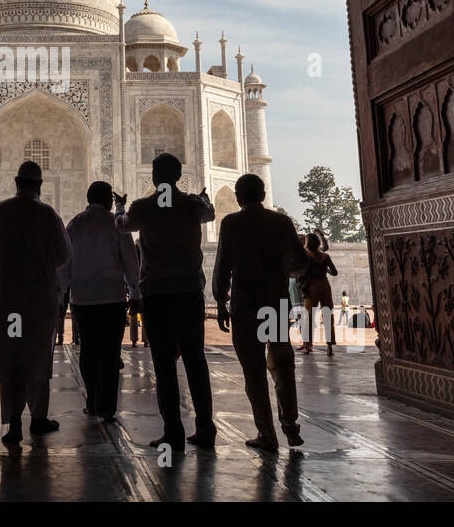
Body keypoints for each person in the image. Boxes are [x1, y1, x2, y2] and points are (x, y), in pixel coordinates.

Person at [115, 152, 216, 452]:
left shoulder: (144, 206)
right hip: (188, 291)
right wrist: (204, 198)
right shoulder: (191, 205)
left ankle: (173, 432)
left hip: (157, 293)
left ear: (156, 177)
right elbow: (209, 213)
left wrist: (119, 206)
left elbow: (123, 225)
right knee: (196, 361)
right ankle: (206, 429)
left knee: (164, 365)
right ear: (179, 175)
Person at [213, 173, 310, 451]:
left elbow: (222, 267)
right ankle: (290, 426)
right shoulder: (280, 222)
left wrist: (221, 301)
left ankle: (266, 434)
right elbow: (301, 262)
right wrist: (283, 272)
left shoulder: (232, 223)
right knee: (282, 364)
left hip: (245, 306)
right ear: (264, 195)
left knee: (254, 372)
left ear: (238, 198)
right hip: (274, 303)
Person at [0, 161, 72, 445]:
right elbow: (63, 254)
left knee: (11, 357)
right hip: (37, 299)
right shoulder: (47, 214)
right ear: (39, 185)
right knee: (36, 357)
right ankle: (38, 419)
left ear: (16, 182)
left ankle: (13, 425)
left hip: (7, 301)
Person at [65, 181, 140, 423]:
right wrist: (136, 293)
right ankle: (106, 406)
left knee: (88, 351)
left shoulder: (75, 224)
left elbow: (64, 264)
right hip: (112, 298)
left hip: (83, 299)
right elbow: (130, 261)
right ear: (108, 200)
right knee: (109, 353)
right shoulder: (115, 224)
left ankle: (92, 401)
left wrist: (60, 296)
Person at [299, 230, 338, 355]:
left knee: (308, 318)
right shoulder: (325, 257)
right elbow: (335, 272)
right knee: (328, 316)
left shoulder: (307, 257)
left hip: (312, 287)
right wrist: (324, 269)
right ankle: (329, 347)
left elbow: (301, 273)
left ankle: (307, 345)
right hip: (325, 285)